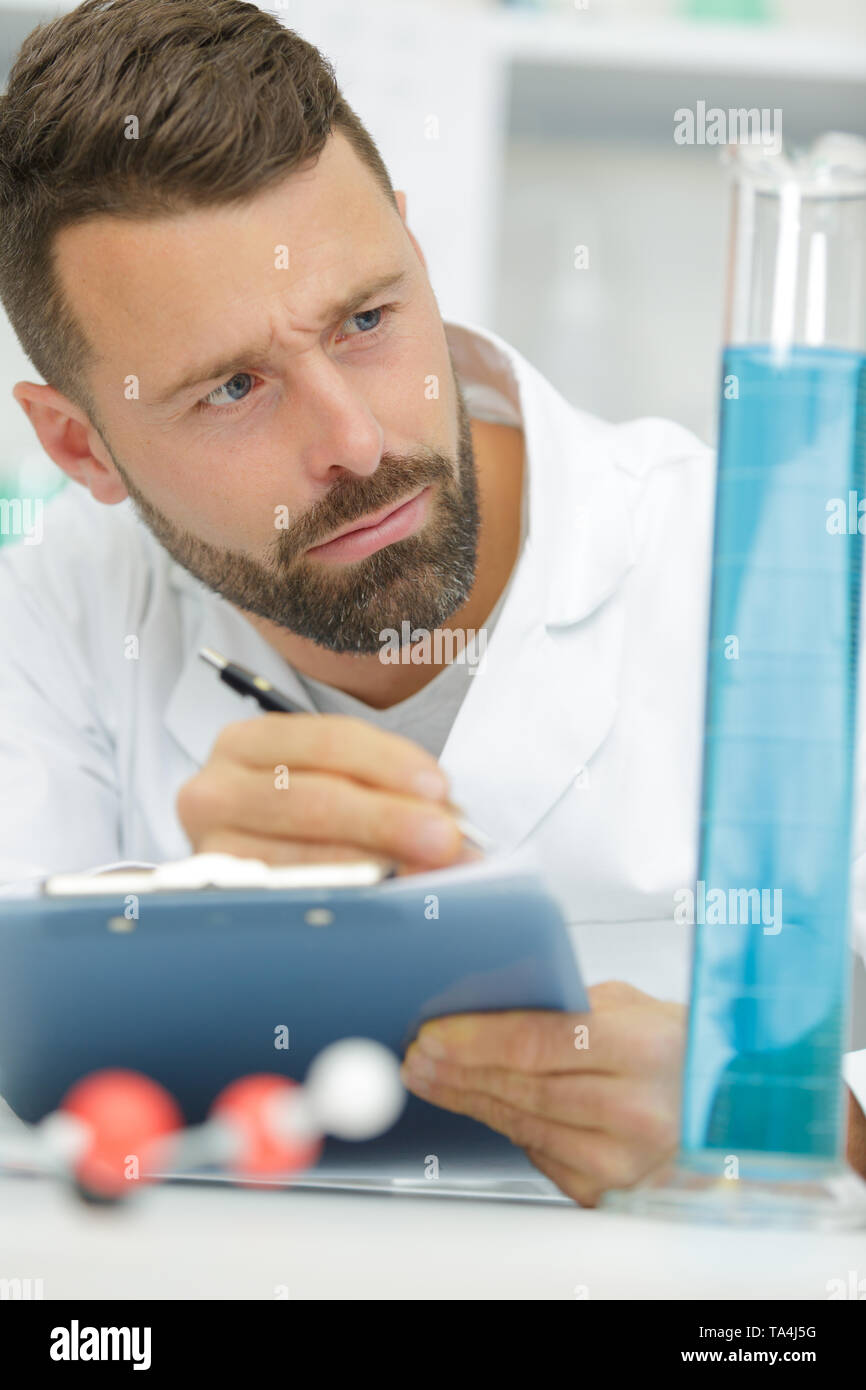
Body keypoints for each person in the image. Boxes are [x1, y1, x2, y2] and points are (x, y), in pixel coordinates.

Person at [0, 0, 863, 1204]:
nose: (353, 441)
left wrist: (787, 1114)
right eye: (233, 387)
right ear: (80, 447)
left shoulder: (771, 566)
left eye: (366, 318)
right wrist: (178, 927)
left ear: (413, 249)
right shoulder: (48, 625)